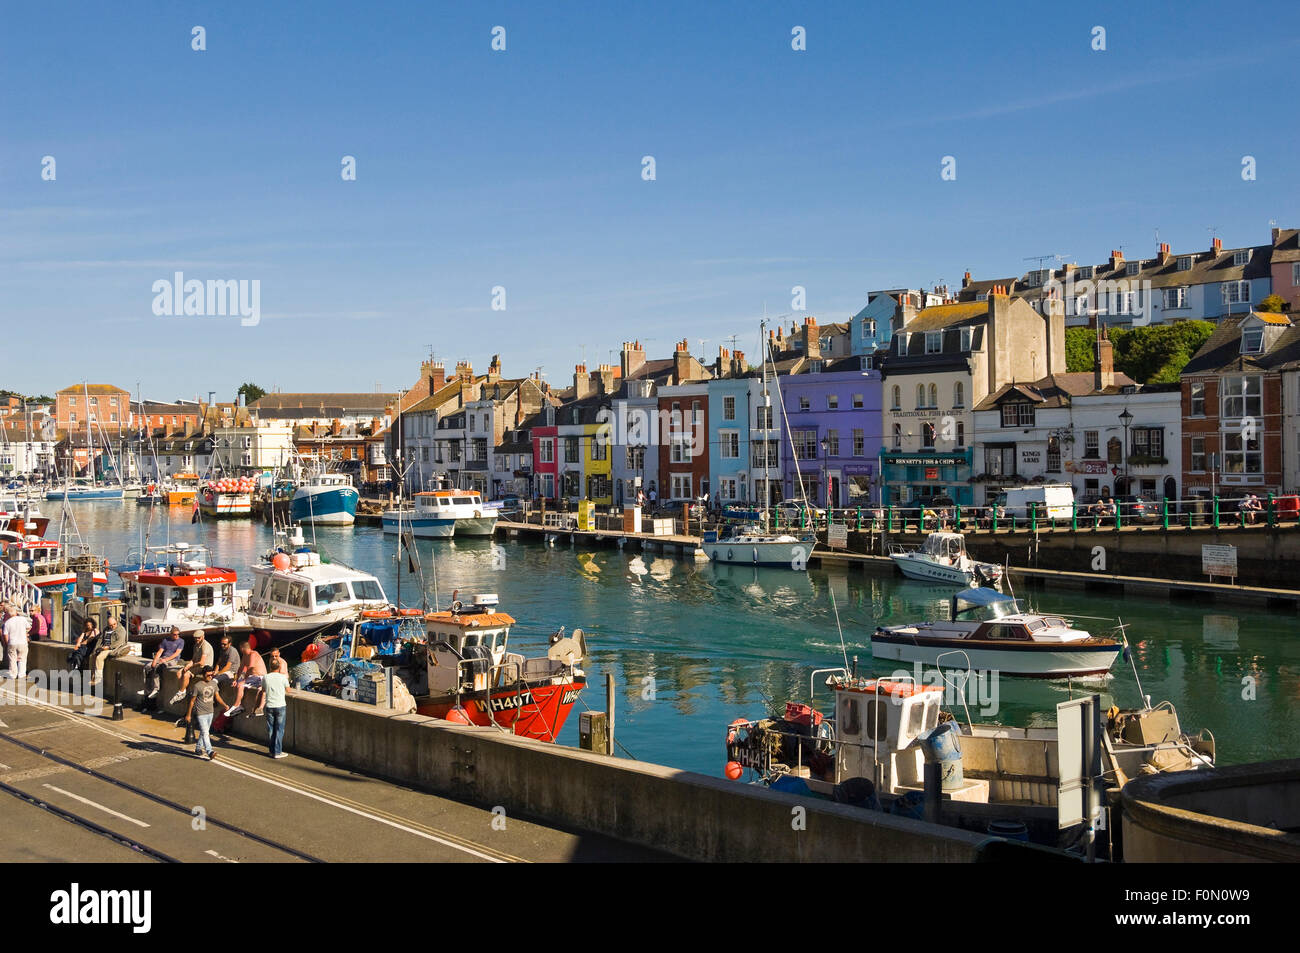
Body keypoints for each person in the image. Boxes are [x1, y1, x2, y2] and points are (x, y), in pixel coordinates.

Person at [185, 666, 226, 761]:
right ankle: (210, 751)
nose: (210, 676)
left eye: (211, 674)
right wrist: (188, 714)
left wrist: (225, 705)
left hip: (210, 712)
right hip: (201, 713)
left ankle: (198, 748)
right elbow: (192, 701)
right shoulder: (197, 686)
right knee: (206, 732)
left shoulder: (214, 684)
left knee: (204, 732)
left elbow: (217, 696)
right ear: (203, 675)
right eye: (208, 675)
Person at [223, 638, 267, 718]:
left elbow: (250, 668)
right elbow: (241, 668)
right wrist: (236, 680)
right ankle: (239, 705)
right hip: (253, 678)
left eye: (240, 648)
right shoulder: (245, 656)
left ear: (242, 648)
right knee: (236, 684)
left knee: (241, 684)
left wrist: (244, 680)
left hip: (260, 677)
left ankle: (236, 705)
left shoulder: (253, 654)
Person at [139, 626, 185, 704]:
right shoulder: (165, 640)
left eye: (178, 634)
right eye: (174, 634)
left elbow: (177, 653)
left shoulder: (181, 641)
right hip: (163, 657)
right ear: (171, 634)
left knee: (158, 667)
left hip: (173, 660)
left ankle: (156, 689)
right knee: (147, 667)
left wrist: (165, 660)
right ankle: (147, 689)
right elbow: (160, 651)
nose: (176, 636)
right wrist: (154, 661)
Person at [170, 629, 214, 704]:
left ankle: (181, 693)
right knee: (179, 673)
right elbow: (193, 659)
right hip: (197, 666)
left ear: (203, 636)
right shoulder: (196, 645)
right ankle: (183, 691)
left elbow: (202, 662)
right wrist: (187, 666)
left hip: (205, 667)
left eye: (198, 638)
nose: (197, 639)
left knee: (186, 674)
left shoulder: (205, 646)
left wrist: (190, 667)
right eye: (195, 638)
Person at [90, 613, 131, 687]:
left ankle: (98, 679)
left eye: (114, 624)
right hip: (103, 647)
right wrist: (96, 648)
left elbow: (120, 642)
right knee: (92, 656)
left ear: (116, 622)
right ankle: (93, 677)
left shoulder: (121, 629)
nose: (112, 626)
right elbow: (100, 639)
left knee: (99, 658)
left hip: (112, 648)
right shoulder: (106, 629)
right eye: (110, 625)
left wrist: (108, 647)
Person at [262, 664, 291, 759]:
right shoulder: (283, 677)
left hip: (270, 705)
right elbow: (288, 690)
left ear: (270, 667)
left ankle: (271, 750)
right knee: (279, 729)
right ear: (279, 668)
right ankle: (277, 752)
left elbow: (263, 690)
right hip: (280, 705)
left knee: (271, 729)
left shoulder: (266, 677)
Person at [3, 604, 31, 680]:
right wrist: (25, 633)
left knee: (12, 659)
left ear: (8, 614)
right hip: (23, 642)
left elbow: (5, 634)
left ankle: (13, 674)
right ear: (16, 613)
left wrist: (6, 643)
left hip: (12, 642)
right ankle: (21, 674)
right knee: (22, 658)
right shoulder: (22, 619)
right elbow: (29, 627)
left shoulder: (7, 622)